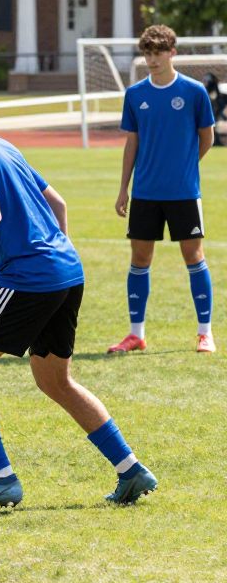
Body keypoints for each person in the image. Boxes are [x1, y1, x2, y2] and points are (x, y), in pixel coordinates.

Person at [0, 65, 156, 512]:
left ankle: (0, 480)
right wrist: (56, 252)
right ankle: (131, 469)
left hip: (30, 278)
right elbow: (57, 201)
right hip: (66, 272)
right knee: (55, 380)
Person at [109, 25, 216, 354]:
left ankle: (205, 333)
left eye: (158, 53)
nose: (152, 60)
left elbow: (207, 137)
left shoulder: (195, 92)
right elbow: (132, 143)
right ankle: (136, 334)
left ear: (173, 53)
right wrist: (123, 187)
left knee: (193, 257)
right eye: (147, 53)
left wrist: (184, 166)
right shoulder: (136, 95)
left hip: (184, 192)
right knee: (139, 259)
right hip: (145, 194)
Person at [203, 72, 227, 147]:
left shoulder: (223, 98)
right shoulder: (202, 99)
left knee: (221, 126)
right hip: (207, 128)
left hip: (219, 125)